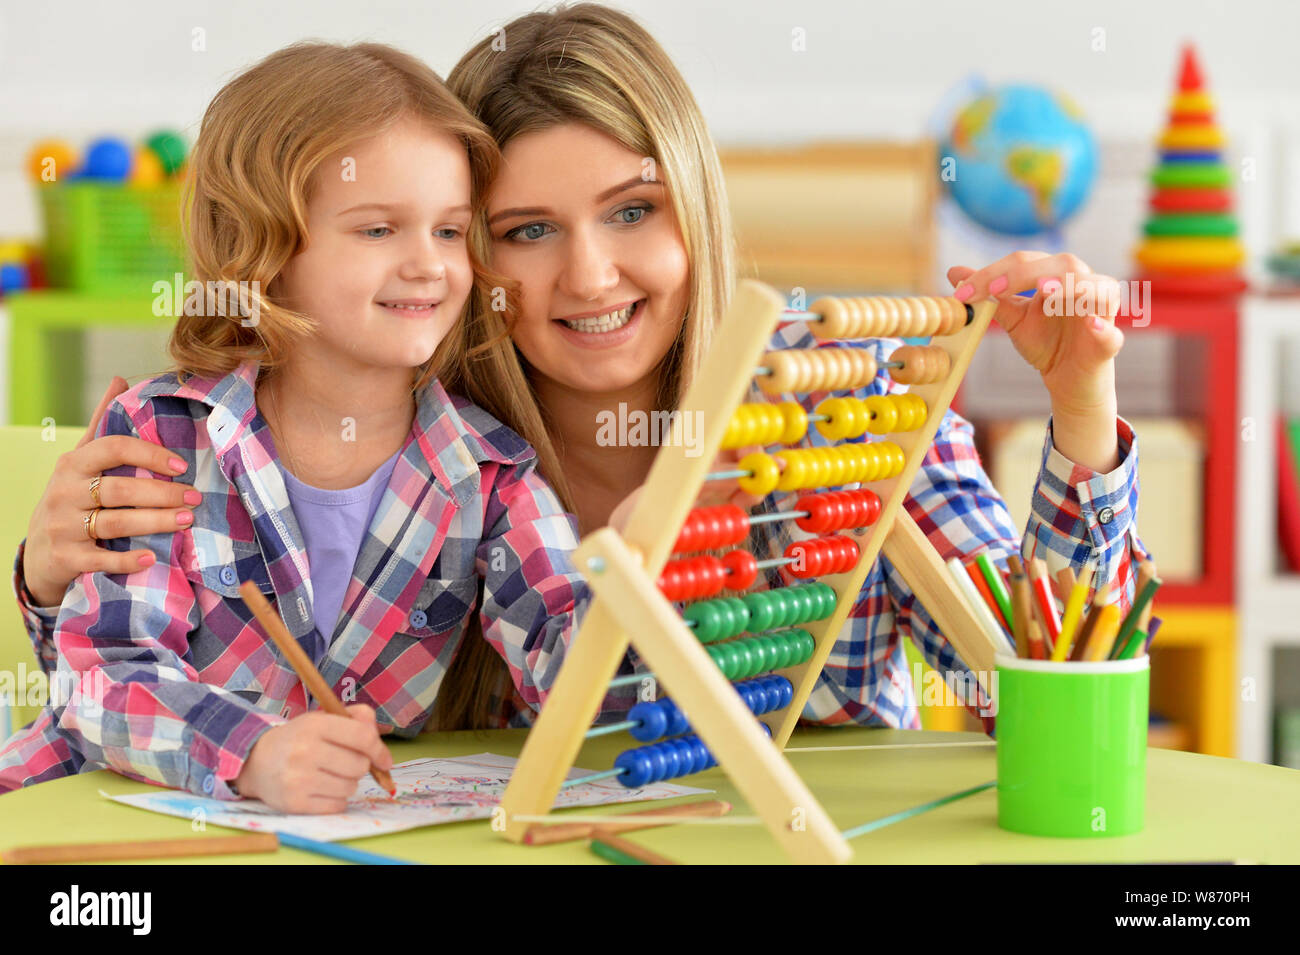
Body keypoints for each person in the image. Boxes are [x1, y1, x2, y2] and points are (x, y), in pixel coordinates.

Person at [12, 4, 1141, 739]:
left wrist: (1081, 409)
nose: (591, 276)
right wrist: (42, 580)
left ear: (693, 207)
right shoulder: (432, 438)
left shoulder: (847, 383)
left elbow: (1030, 690)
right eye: (526, 230)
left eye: (633, 211)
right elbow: (236, 669)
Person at [0, 41, 630, 810]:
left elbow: (574, 672)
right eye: (377, 230)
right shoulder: (165, 438)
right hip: (85, 815)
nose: (429, 264)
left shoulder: (490, 473)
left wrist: (635, 587)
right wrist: (252, 753)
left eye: (447, 230)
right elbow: (106, 674)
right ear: (261, 249)